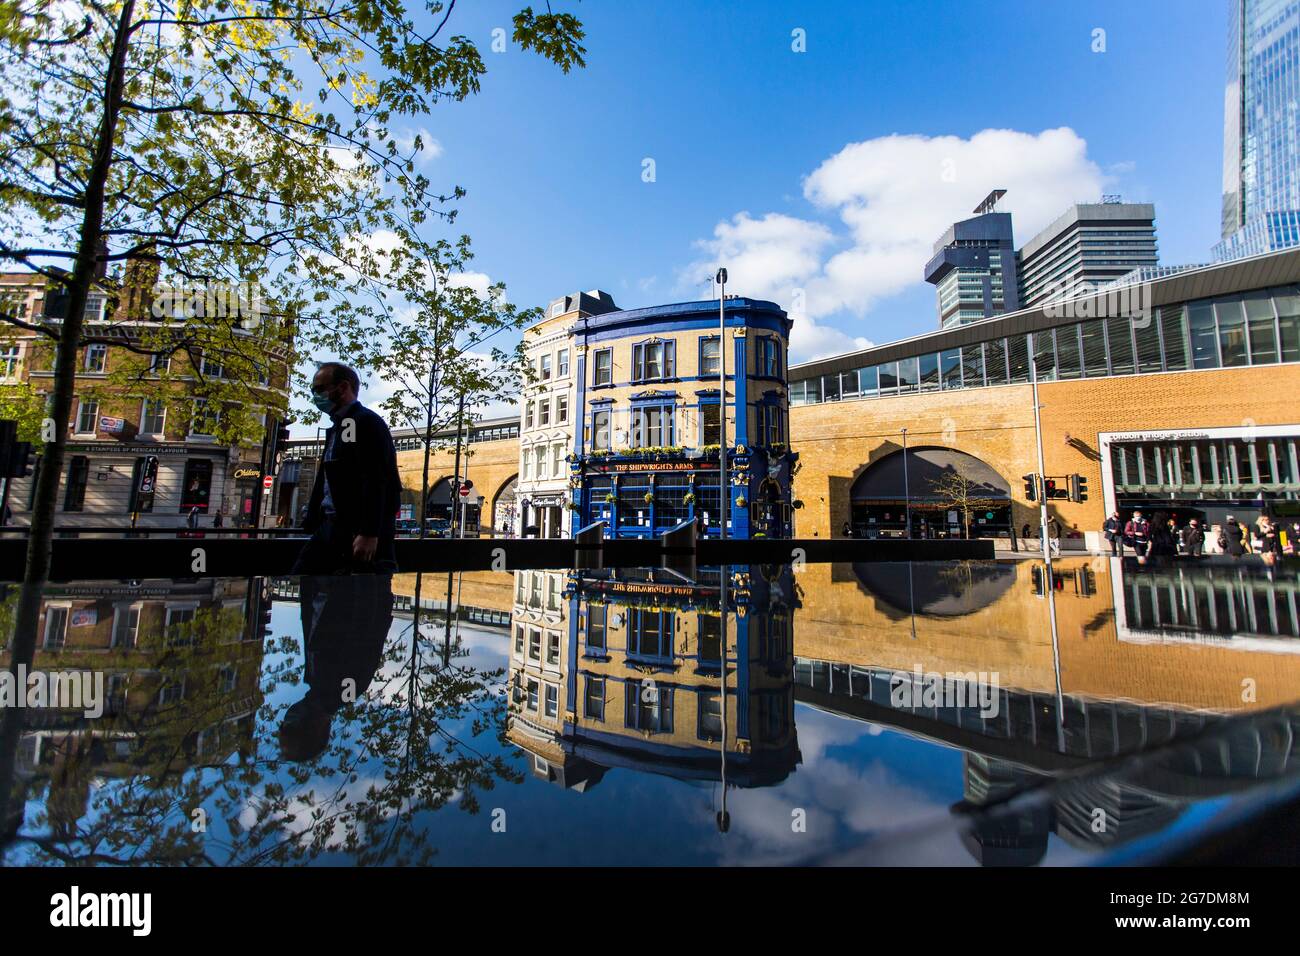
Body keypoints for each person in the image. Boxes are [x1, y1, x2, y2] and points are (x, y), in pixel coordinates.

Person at [292, 362, 402, 574]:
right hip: (333, 525)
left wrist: (369, 532)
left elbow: (377, 478)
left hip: (354, 530)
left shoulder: (365, 422)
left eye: (320, 389)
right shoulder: (341, 426)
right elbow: (330, 477)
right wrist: (313, 519)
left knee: (359, 594)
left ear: (343, 387)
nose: (315, 395)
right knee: (306, 577)